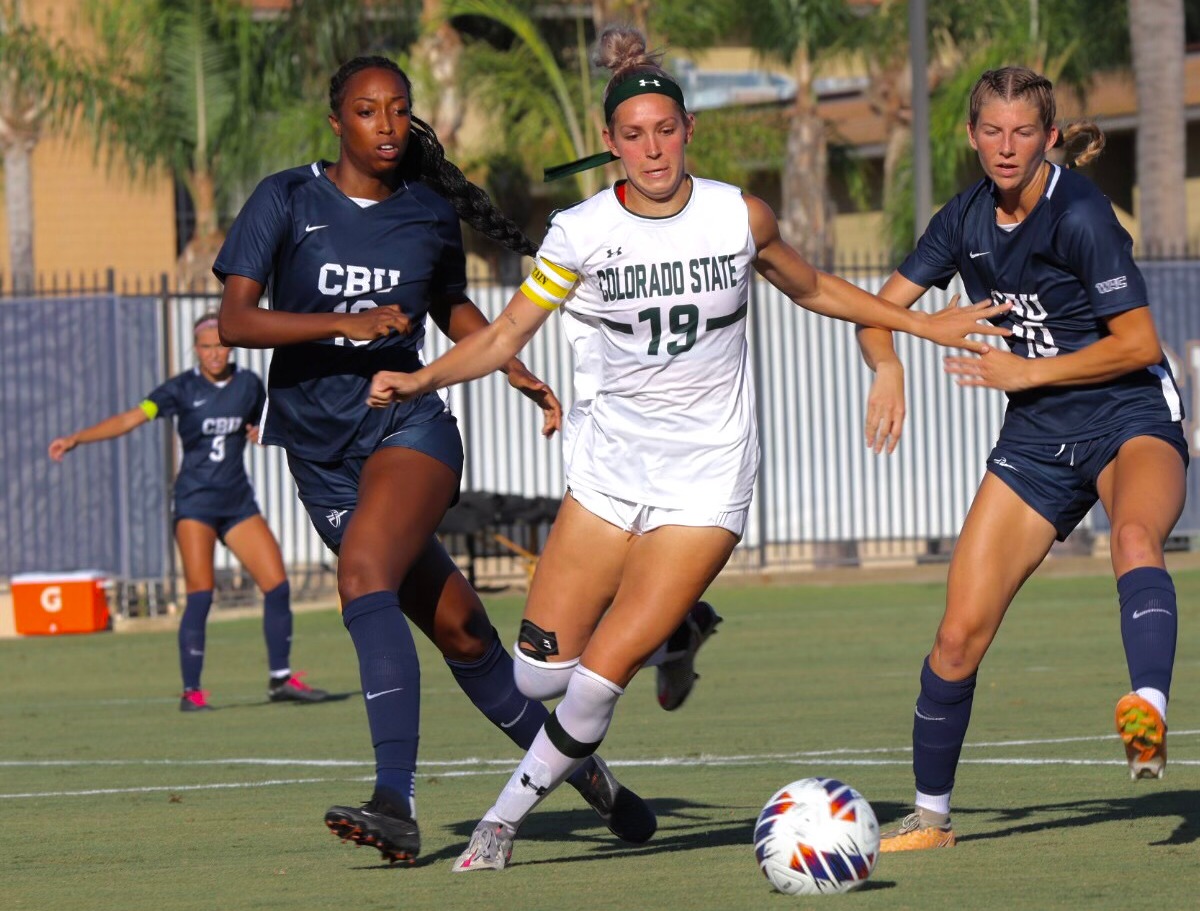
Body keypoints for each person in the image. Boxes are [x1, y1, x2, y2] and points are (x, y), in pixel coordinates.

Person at [365, 26, 1009, 873]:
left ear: (688, 132)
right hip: (608, 474)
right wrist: (421, 380)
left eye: (666, 130)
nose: (653, 148)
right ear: (610, 144)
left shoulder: (738, 216)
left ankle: (501, 819)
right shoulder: (580, 233)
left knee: (602, 674)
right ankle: (681, 634)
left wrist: (917, 325)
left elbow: (813, 285)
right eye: (633, 135)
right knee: (534, 679)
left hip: (708, 478)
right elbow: (505, 334)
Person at [213, 55, 711, 866]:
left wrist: (511, 367)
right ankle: (592, 777)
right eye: (368, 111)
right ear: (335, 120)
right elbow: (235, 320)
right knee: (465, 634)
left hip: (410, 429)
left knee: (363, 575)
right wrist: (344, 325)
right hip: (319, 453)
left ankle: (394, 801)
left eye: (399, 109)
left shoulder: (425, 211)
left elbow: (452, 307)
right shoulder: (285, 199)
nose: (386, 125)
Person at [856, 65, 1189, 851]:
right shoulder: (963, 218)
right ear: (971, 135)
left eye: (1024, 132)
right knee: (956, 635)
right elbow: (875, 310)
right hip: (1037, 439)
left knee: (1134, 539)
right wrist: (890, 363)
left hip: (1127, 414)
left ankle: (1149, 714)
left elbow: (1138, 342)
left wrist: (1026, 371)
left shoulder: (1080, 213)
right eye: (993, 131)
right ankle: (932, 816)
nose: (1007, 148)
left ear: (1048, 137)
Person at [49, 312, 327, 712]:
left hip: (237, 503)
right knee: (200, 595)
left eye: (220, 345)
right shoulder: (180, 389)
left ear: (231, 347)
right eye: (207, 346)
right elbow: (132, 417)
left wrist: (260, 432)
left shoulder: (249, 385)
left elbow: (268, 423)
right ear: (195, 350)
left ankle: (281, 678)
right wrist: (77, 438)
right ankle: (191, 692)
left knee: (277, 584)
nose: (215, 353)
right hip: (195, 503)